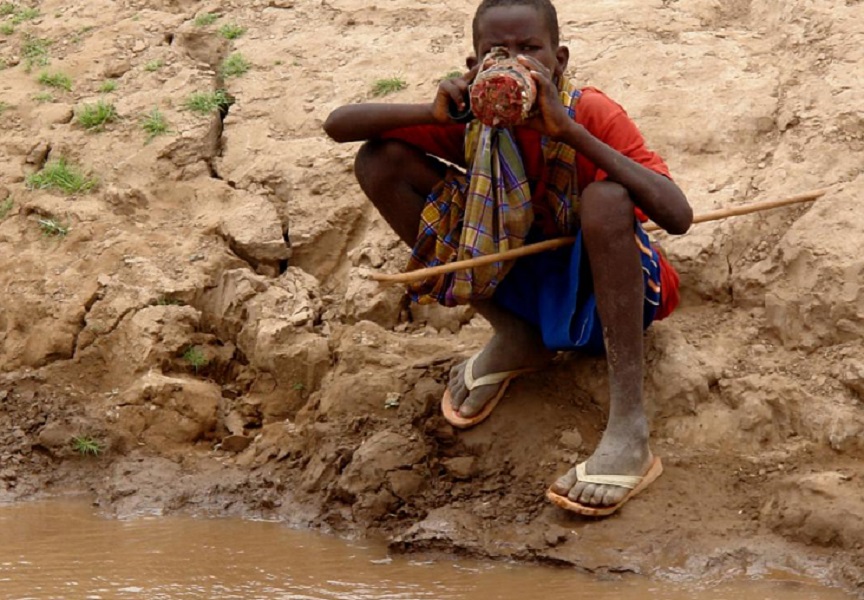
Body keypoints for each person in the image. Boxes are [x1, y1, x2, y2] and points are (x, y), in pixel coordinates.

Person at [323, 0, 693, 516]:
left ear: (558, 60)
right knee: (379, 159)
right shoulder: (475, 118)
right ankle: (517, 336)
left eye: (530, 49)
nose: (513, 62)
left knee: (606, 200)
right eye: (496, 52)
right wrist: (428, 113)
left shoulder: (588, 112)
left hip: (605, 296)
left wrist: (569, 133)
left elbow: (677, 215)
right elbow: (339, 125)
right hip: (521, 284)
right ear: (474, 66)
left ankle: (628, 431)